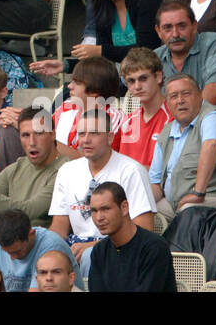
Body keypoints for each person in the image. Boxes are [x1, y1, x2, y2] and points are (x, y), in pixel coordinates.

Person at [49, 109, 156, 280]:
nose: (86, 140)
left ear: (110, 137)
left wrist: (96, 245)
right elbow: (59, 227)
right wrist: (44, 246)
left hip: (119, 248)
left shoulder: (131, 171)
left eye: (94, 133)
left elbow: (144, 229)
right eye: (82, 133)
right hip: (75, 246)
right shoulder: (67, 171)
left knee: (91, 255)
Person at [149, 74, 216, 222]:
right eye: (173, 96)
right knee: (142, 212)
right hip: (173, 202)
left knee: (189, 210)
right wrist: (140, 204)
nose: (180, 100)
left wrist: (198, 193)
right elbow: (155, 182)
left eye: (186, 94)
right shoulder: (166, 131)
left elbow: (211, 145)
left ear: (200, 95)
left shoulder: (214, 116)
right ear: (167, 103)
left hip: (212, 197)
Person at [86, 181, 178, 292]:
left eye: (106, 209)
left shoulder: (154, 247)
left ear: (124, 207)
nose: (99, 217)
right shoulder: (99, 251)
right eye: (94, 211)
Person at [154, 0, 216, 105]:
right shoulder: (155, 58)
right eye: (167, 28)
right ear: (158, 31)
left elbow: (215, 88)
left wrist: (184, 120)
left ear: (194, 26)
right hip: (170, 120)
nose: (175, 34)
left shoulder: (212, 43)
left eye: (182, 26)